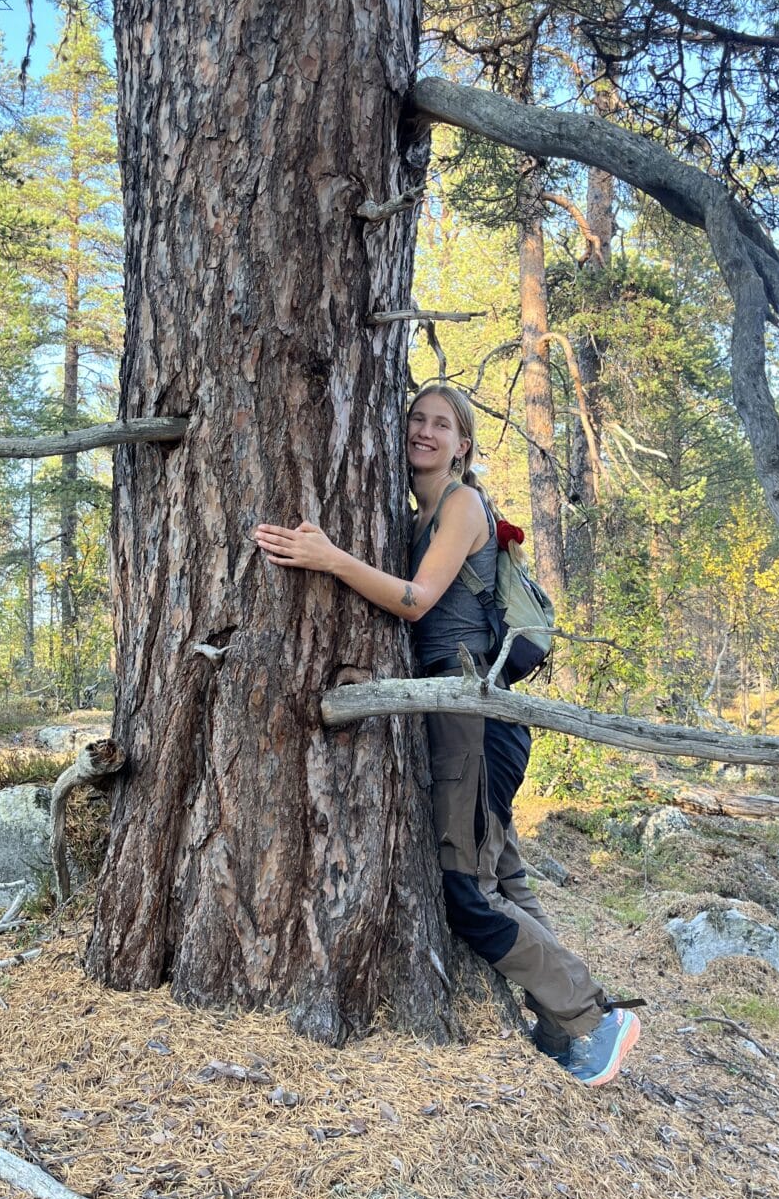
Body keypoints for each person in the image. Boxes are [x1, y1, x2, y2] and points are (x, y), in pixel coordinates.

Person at [253, 383, 640, 1087]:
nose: (425, 432)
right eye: (416, 420)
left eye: (442, 425)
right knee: (504, 878)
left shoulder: (461, 505)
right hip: (460, 708)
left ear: (464, 444)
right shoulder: (414, 516)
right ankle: (567, 1024)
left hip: (470, 709)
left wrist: (329, 558)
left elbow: (416, 600)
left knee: (465, 889)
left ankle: (593, 1018)